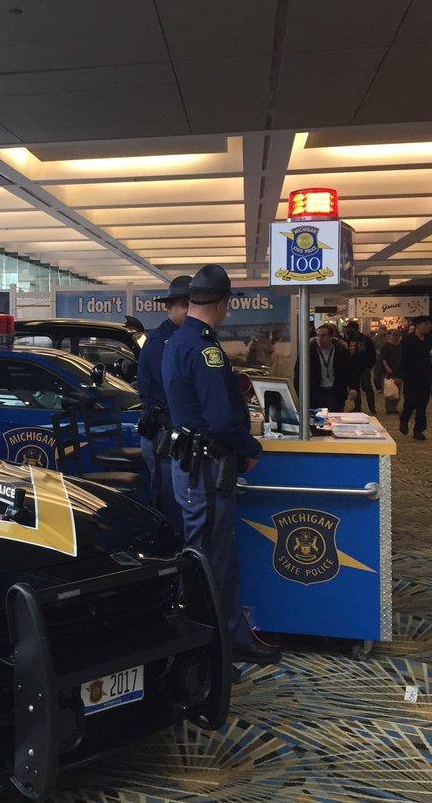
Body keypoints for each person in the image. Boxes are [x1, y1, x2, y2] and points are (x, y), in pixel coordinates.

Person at [163, 264, 280, 666]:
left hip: (192, 465)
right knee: (211, 560)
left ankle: (225, 639)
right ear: (224, 304)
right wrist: (250, 446)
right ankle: (211, 652)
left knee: (211, 556)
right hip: (208, 466)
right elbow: (220, 419)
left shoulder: (178, 342)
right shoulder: (206, 350)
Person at [136, 276, 191, 526]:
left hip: (172, 431)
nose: (191, 311)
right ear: (169, 308)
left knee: (178, 496)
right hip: (162, 431)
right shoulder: (163, 341)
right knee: (169, 500)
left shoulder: (181, 337)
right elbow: (174, 388)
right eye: (184, 306)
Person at [298, 323, 350, 413]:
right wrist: (301, 393)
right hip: (316, 393)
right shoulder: (308, 352)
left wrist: (353, 387)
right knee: (316, 422)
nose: (319, 338)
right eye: (318, 335)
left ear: (331, 336)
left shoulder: (341, 351)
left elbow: (348, 370)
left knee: (334, 420)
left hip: (335, 393)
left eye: (323, 335)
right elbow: (298, 372)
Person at [399, 317, 432, 440]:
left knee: (422, 405)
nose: (428, 327)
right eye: (426, 324)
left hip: (425, 377)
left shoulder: (429, 340)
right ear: (418, 325)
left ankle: (419, 430)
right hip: (411, 377)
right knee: (410, 401)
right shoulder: (408, 340)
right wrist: (400, 375)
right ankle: (404, 419)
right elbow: (402, 359)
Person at [344, 321, 377, 413]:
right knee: (355, 387)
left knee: (367, 387)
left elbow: (372, 353)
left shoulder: (365, 340)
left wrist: (369, 365)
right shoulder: (347, 340)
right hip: (352, 369)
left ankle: (372, 408)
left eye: (349, 328)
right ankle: (357, 406)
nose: (347, 330)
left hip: (364, 368)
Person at [378, 329, 404, 415]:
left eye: (397, 335)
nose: (395, 337)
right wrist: (387, 367)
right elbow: (383, 358)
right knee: (389, 390)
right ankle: (389, 407)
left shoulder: (401, 346)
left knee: (397, 390)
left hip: (399, 370)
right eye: (394, 335)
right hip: (389, 371)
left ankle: (394, 407)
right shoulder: (387, 345)